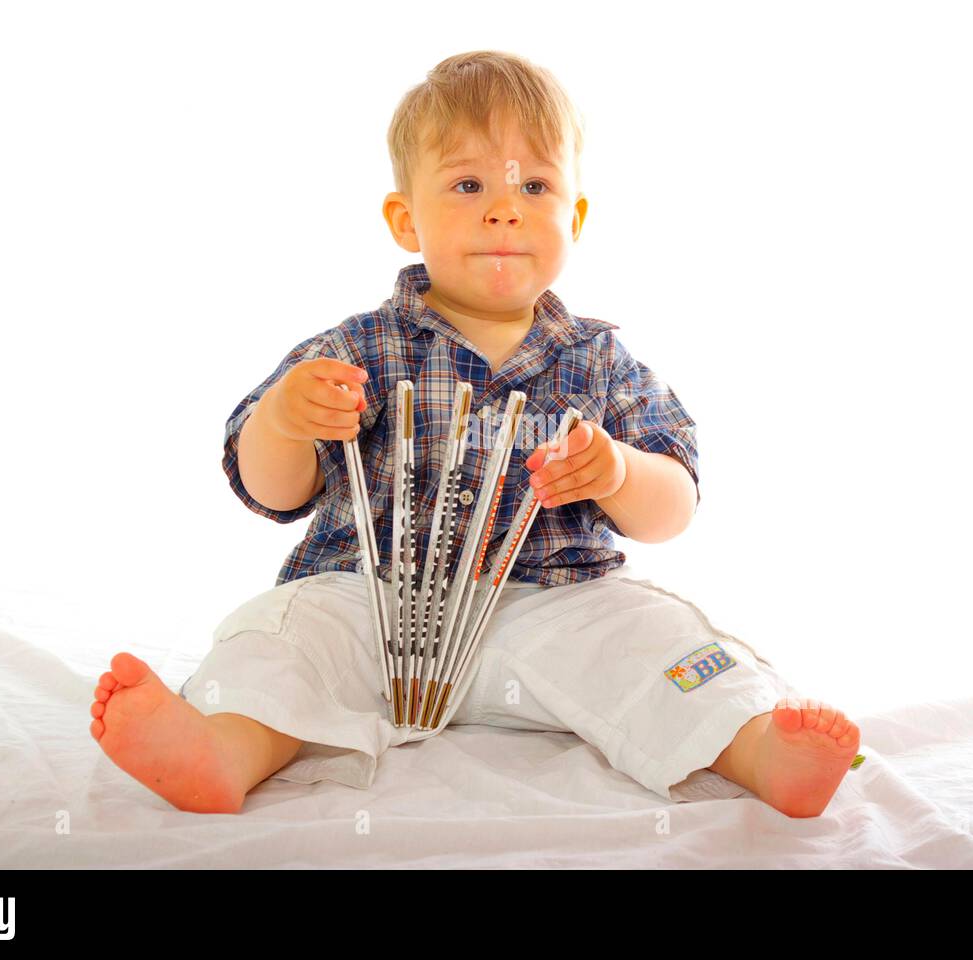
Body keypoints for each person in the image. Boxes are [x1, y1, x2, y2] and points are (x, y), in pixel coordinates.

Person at [89, 50, 861, 817]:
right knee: (285, 639)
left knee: (653, 640)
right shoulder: (360, 348)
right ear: (405, 219)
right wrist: (284, 421)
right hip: (371, 600)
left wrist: (619, 474)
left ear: (576, 217)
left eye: (534, 185)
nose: (505, 209)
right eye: (468, 185)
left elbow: (675, 505)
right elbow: (270, 490)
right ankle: (223, 750)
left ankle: (758, 748)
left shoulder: (596, 358)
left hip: (553, 605)